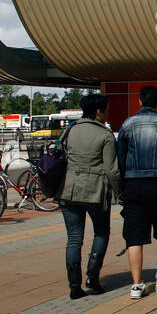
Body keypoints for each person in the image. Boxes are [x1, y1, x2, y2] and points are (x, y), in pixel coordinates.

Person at [116, 85, 157, 299]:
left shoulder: (127, 124)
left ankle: (136, 285)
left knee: (134, 235)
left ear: (139, 101)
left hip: (134, 186)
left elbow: (120, 158)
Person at [59, 92, 121, 299]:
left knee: (74, 239)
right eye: (107, 110)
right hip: (95, 192)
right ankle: (92, 278)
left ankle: (74, 285)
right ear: (98, 111)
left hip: (69, 190)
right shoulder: (105, 135)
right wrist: (120, 193)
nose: (108, 113)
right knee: (101, 232)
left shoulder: (70, 131)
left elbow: (59, 156)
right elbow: (112, 170)